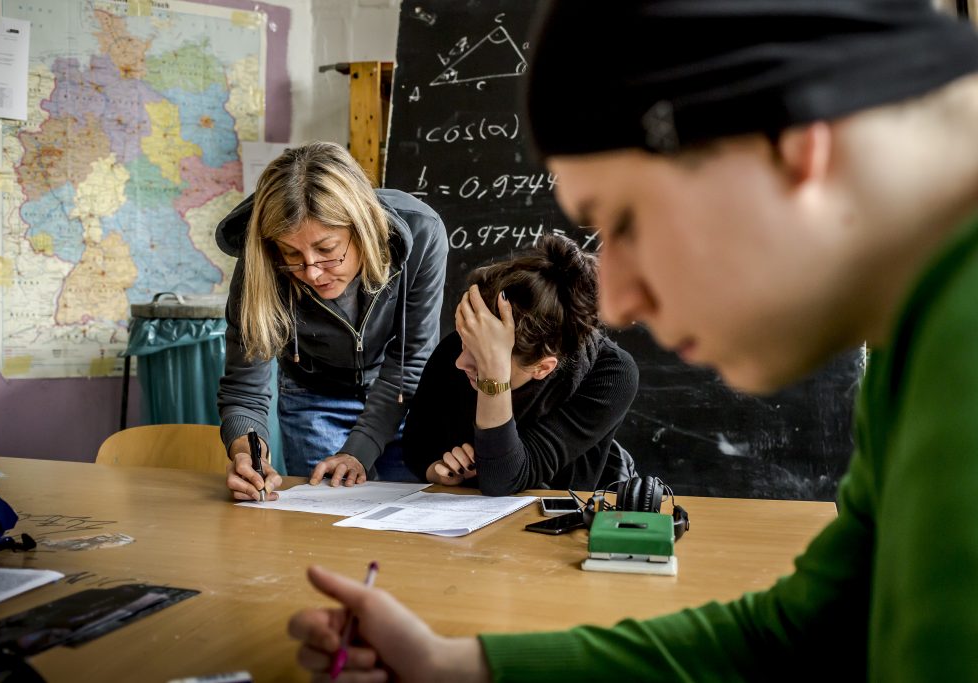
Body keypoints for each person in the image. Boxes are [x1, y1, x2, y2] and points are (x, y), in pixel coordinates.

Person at [287, 1, 978, 680]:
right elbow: (791, 636)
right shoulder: (915, 341)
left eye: (627, 221)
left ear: (792, 141)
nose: (617, 301)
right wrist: (450, 664)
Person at [216, 141, 448, 496]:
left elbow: (411, 359)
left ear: (362, 228)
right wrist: (248, 452)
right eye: (291, 253)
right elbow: (245, 389)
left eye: (326, 250)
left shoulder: (421, 232)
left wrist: (359, 450)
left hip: (400, 393)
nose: (311, 271)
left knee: (410, 515)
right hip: (312, 397)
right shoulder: (261, 260)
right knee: (325, 520)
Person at [401, 234, 639, 495]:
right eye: (464, 342)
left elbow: (504, 478)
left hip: (559, 513)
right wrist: (437, 470)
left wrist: (492, 377)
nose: (460, 362)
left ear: (542, 368)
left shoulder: (611, 373)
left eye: (482, 356)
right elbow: (417, 446)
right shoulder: (457, 349)